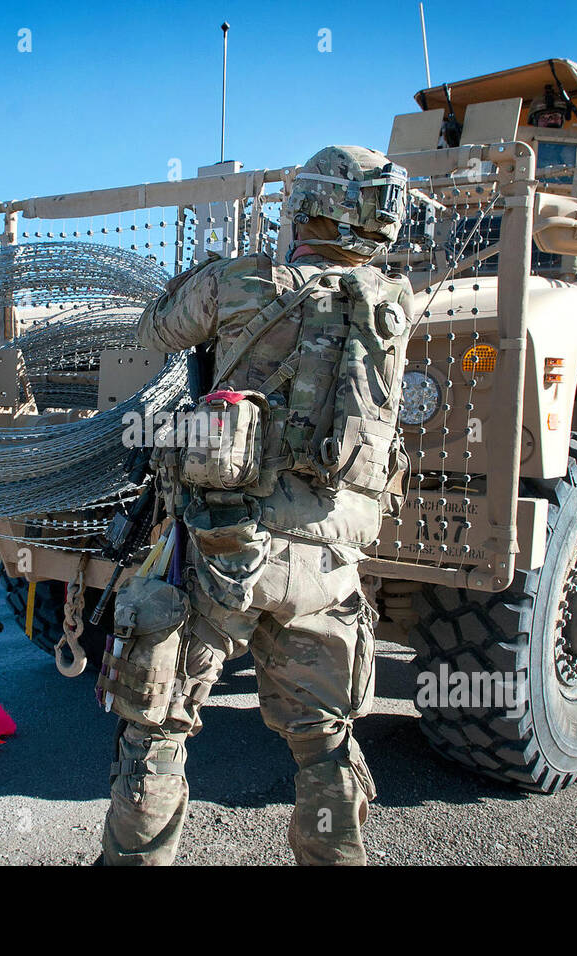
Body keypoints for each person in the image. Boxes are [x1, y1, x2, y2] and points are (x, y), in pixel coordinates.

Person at [100, 146, 414, 864]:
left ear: (306, 206)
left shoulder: (241, 281)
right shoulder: (391, 307)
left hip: (226, 545)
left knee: (157, 732)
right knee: (325, 743)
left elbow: (147, 344)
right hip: (330, 559)